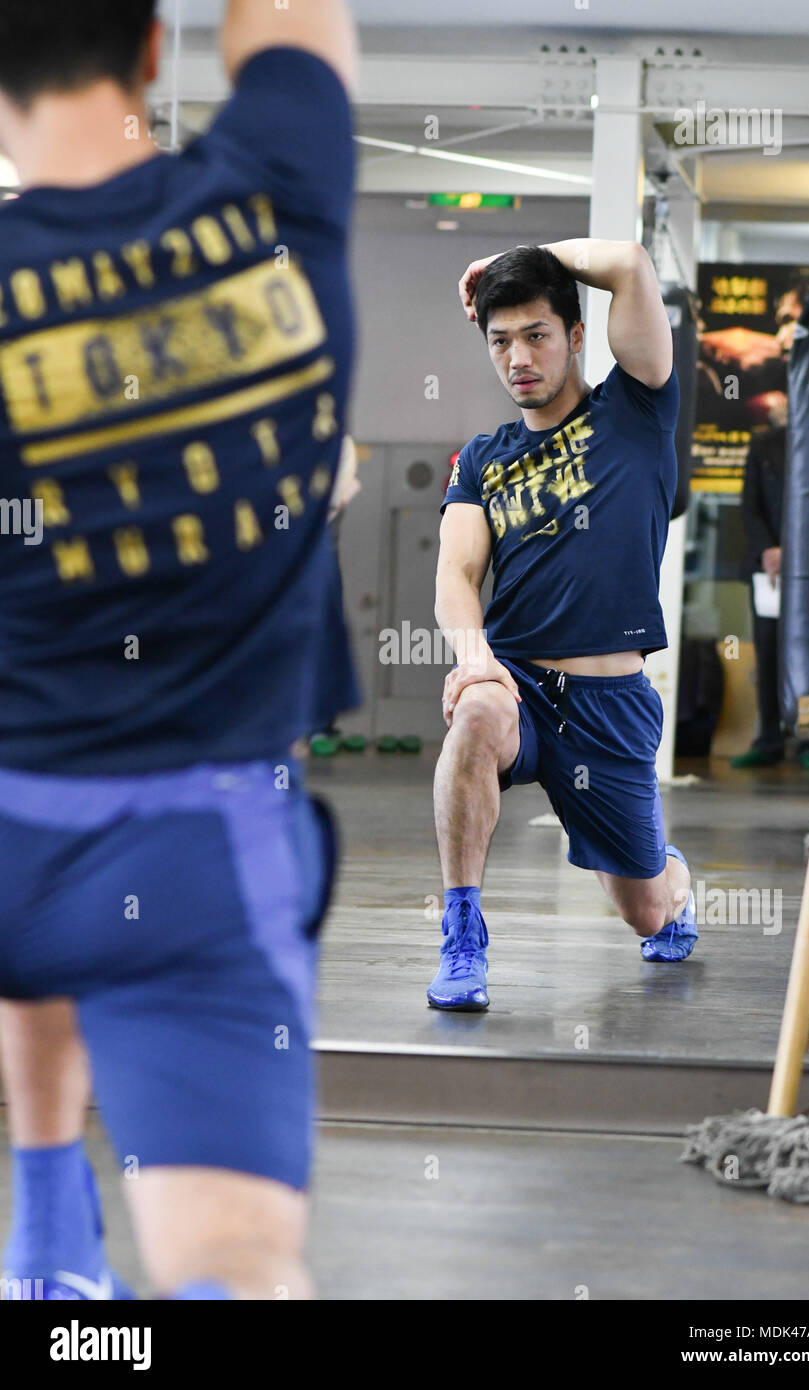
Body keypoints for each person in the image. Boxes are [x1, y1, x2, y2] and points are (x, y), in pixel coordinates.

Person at [0, 0, 359, 1300]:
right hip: (189, 850)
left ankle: (46, 1246)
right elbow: (294, 27)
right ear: (157, 46)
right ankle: (52, 1234)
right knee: (234, 1271)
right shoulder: (281, 185)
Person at [427, 241, 697, 1012]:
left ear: (577, 336)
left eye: (536, 334)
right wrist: (475, 658)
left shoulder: (637, 409)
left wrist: (513, 257)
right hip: (514, 682)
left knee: (646, 910)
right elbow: (456, 572)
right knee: (475, 714)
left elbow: (631, 265)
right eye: (500, 340)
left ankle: (671, 877)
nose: (517, 357)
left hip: (608, 708)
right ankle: (462, 935)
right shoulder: (483, 458)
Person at [731, 394, 788, 768]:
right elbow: (749, 504)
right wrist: (769, 549)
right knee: (767, 652)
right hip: (769, 571)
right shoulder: (764, 446)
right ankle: (770, 740)